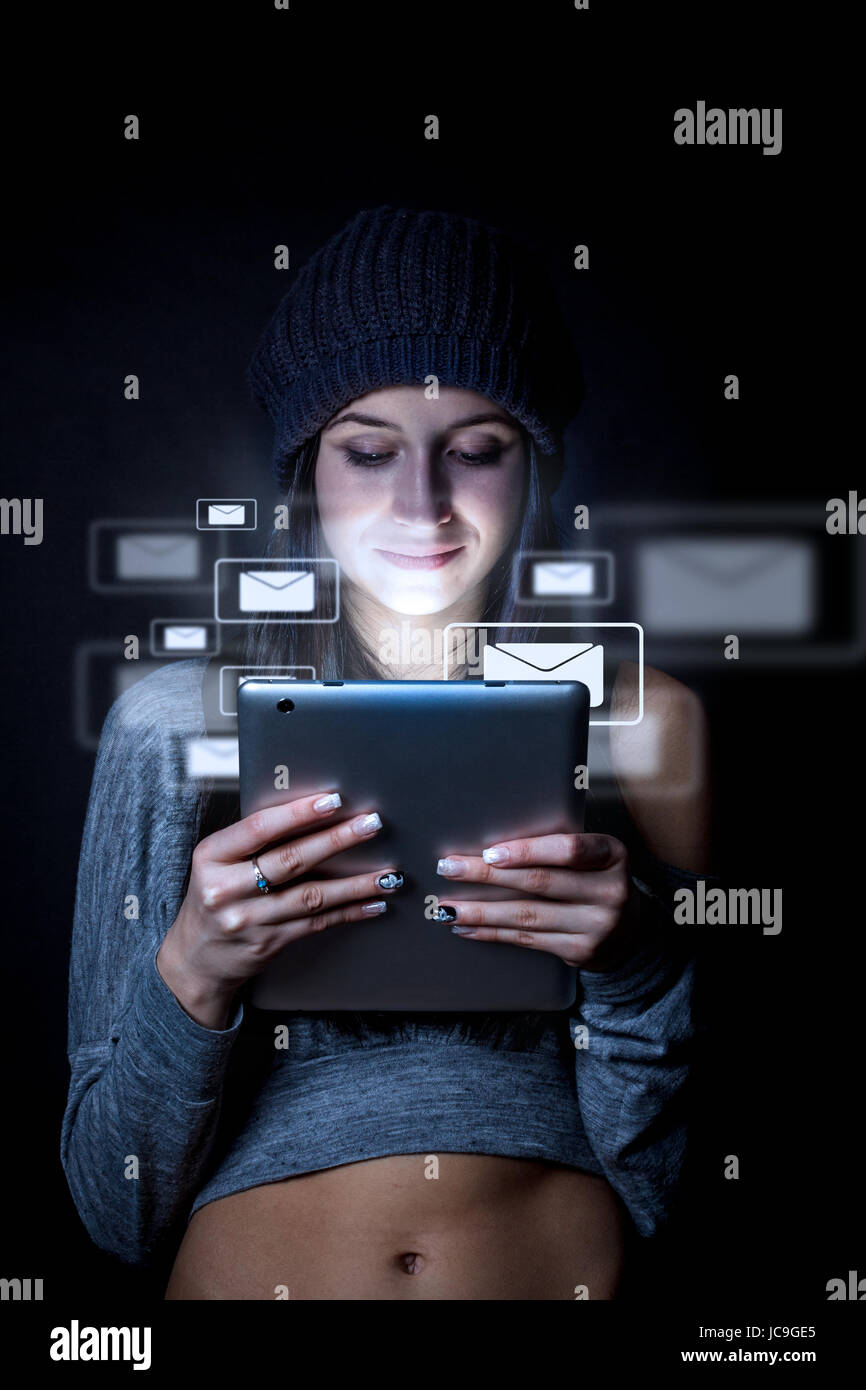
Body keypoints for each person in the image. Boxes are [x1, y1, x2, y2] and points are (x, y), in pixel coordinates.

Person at [61, 206, 714, 1300]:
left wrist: (636, 965)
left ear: (534, 470)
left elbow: (671, 1190)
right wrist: (194, 968)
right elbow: (113, 1210)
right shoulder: (170, 727)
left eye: (475, 449)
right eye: (367, 451)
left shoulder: (649, 726)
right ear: (306, 471)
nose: (422, 505)